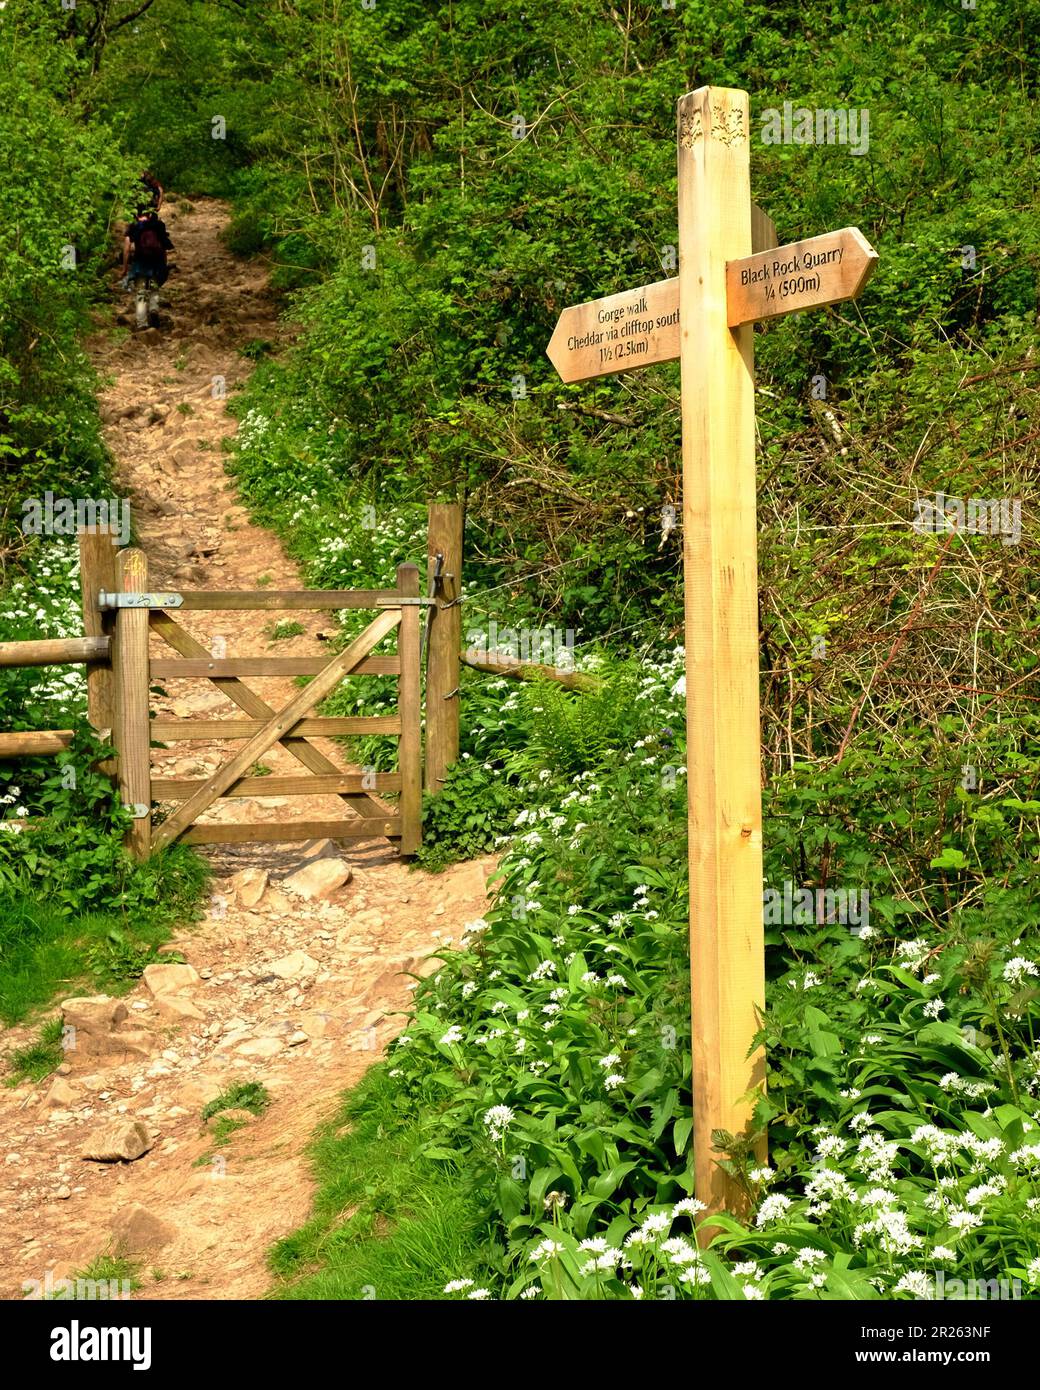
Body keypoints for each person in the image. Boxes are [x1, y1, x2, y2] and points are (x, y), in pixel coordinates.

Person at [120, 206, 173, 330]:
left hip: (140, 264)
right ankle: (154, 309)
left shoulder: (134, 227)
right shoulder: (157, 225)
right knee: (154, 288)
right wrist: (164, 264)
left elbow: (126, 249)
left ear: (136, 214)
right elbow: (164, 247)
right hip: (156, 263)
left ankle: (142, 322)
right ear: (149, 214)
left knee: (141, 292)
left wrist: (125, 268)